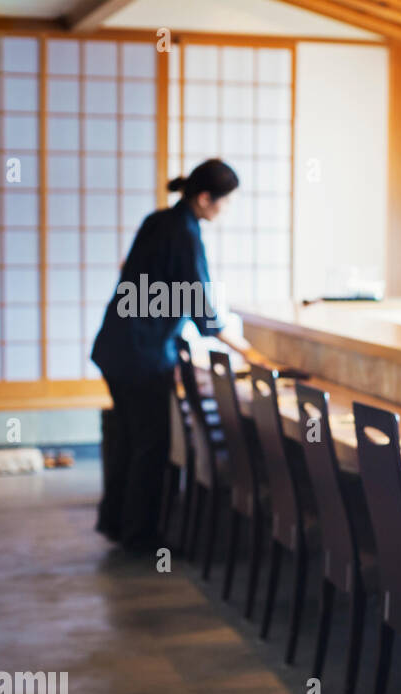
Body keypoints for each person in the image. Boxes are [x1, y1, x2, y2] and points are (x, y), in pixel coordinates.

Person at [91, 158, 270, 553]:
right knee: (149, 444)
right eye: (225, 201)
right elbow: (204, 310)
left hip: (116, 346)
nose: (227, 208)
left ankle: (116, 523)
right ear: (205, 198)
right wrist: (250, 353)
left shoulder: (158, 221)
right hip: (141, 355)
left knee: (128, 438)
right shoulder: (185, 233)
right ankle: (141, 538)